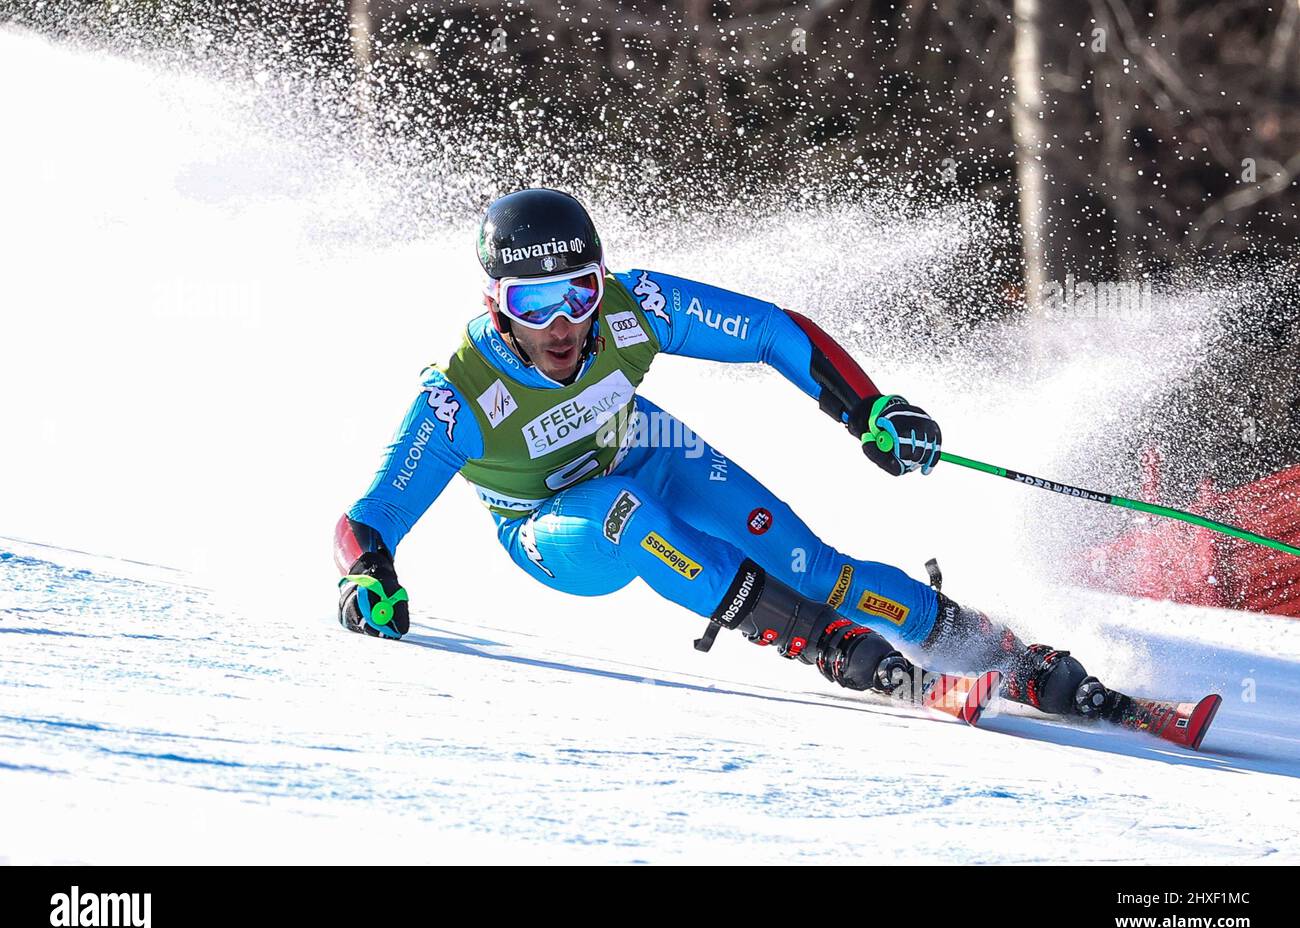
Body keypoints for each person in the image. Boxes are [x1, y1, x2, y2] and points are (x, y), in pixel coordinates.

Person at [334, 187, 1114, 719]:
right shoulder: (458, 398)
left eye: (578, 292)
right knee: (622, 513)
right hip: (552, 528)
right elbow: (370, 519)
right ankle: (831, 646)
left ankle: (998, 651)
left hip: (646, 445)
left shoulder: (636, 306)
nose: (564, 325)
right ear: (495, 305)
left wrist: (867, 406)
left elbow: (773, 330)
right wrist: (369, 578)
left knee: (812, 564)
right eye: (534, 305)